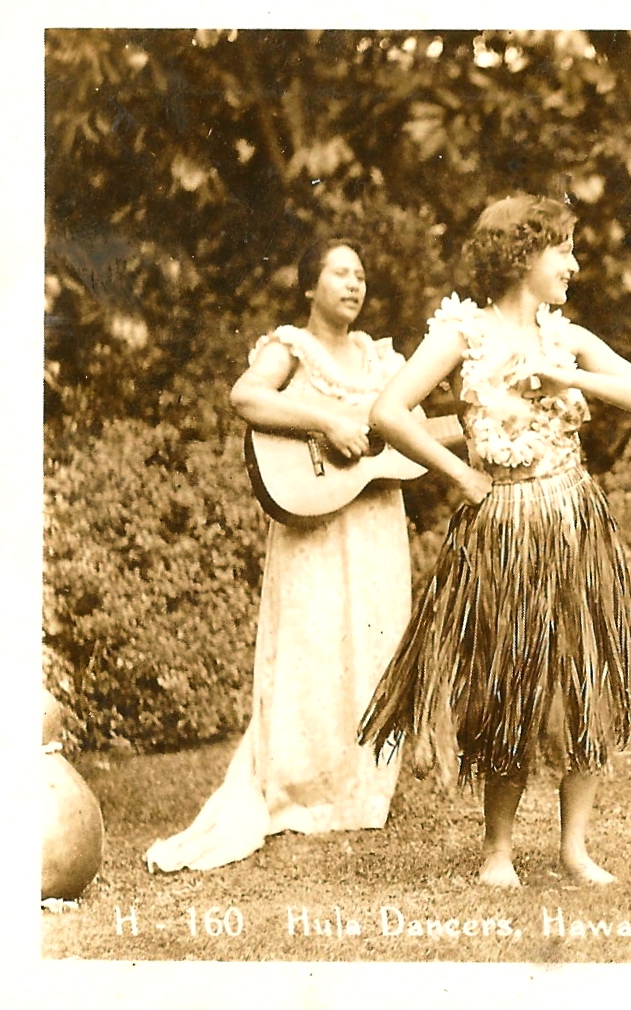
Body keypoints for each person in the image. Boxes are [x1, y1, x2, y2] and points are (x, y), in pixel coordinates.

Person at [358, 194, 631, 887]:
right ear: (524, 253)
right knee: (509, 685)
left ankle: (574, 847)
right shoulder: (461, 334)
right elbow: (387, 410)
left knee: (582, 678)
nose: (573, 265)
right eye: (562, 250)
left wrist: (572, 376)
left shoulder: (569, 339)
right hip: (502, 529)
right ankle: (497, 848)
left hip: (572, 521)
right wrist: (458, 471)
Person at [146, 238, 410, 872]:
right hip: (314, 522)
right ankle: (300, 789)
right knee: (314, 642)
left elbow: (411, 428)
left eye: (361, 274)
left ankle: (362, 791)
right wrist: (325, 422)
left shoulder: (380, 357)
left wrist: (495, 421)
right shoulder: (289, 347)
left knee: (374, 643)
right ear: (309, 286)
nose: (354, 283)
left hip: (374, 520)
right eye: (340, 272)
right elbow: (247, 398)